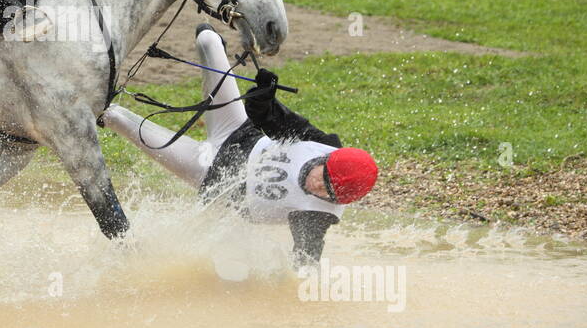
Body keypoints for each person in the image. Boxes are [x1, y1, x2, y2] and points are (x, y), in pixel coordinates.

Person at [100, 24, 378, 269]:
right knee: (207, 38)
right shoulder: (319, 143)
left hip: (206, 172)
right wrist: (263, 96)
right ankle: (216, 39)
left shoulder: (316, 215)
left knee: (112, 116)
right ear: (326, 160)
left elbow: (306, 259)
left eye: (328, 193)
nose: (319, 188)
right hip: (234, 129)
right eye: (323, 178)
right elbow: (270, 118)